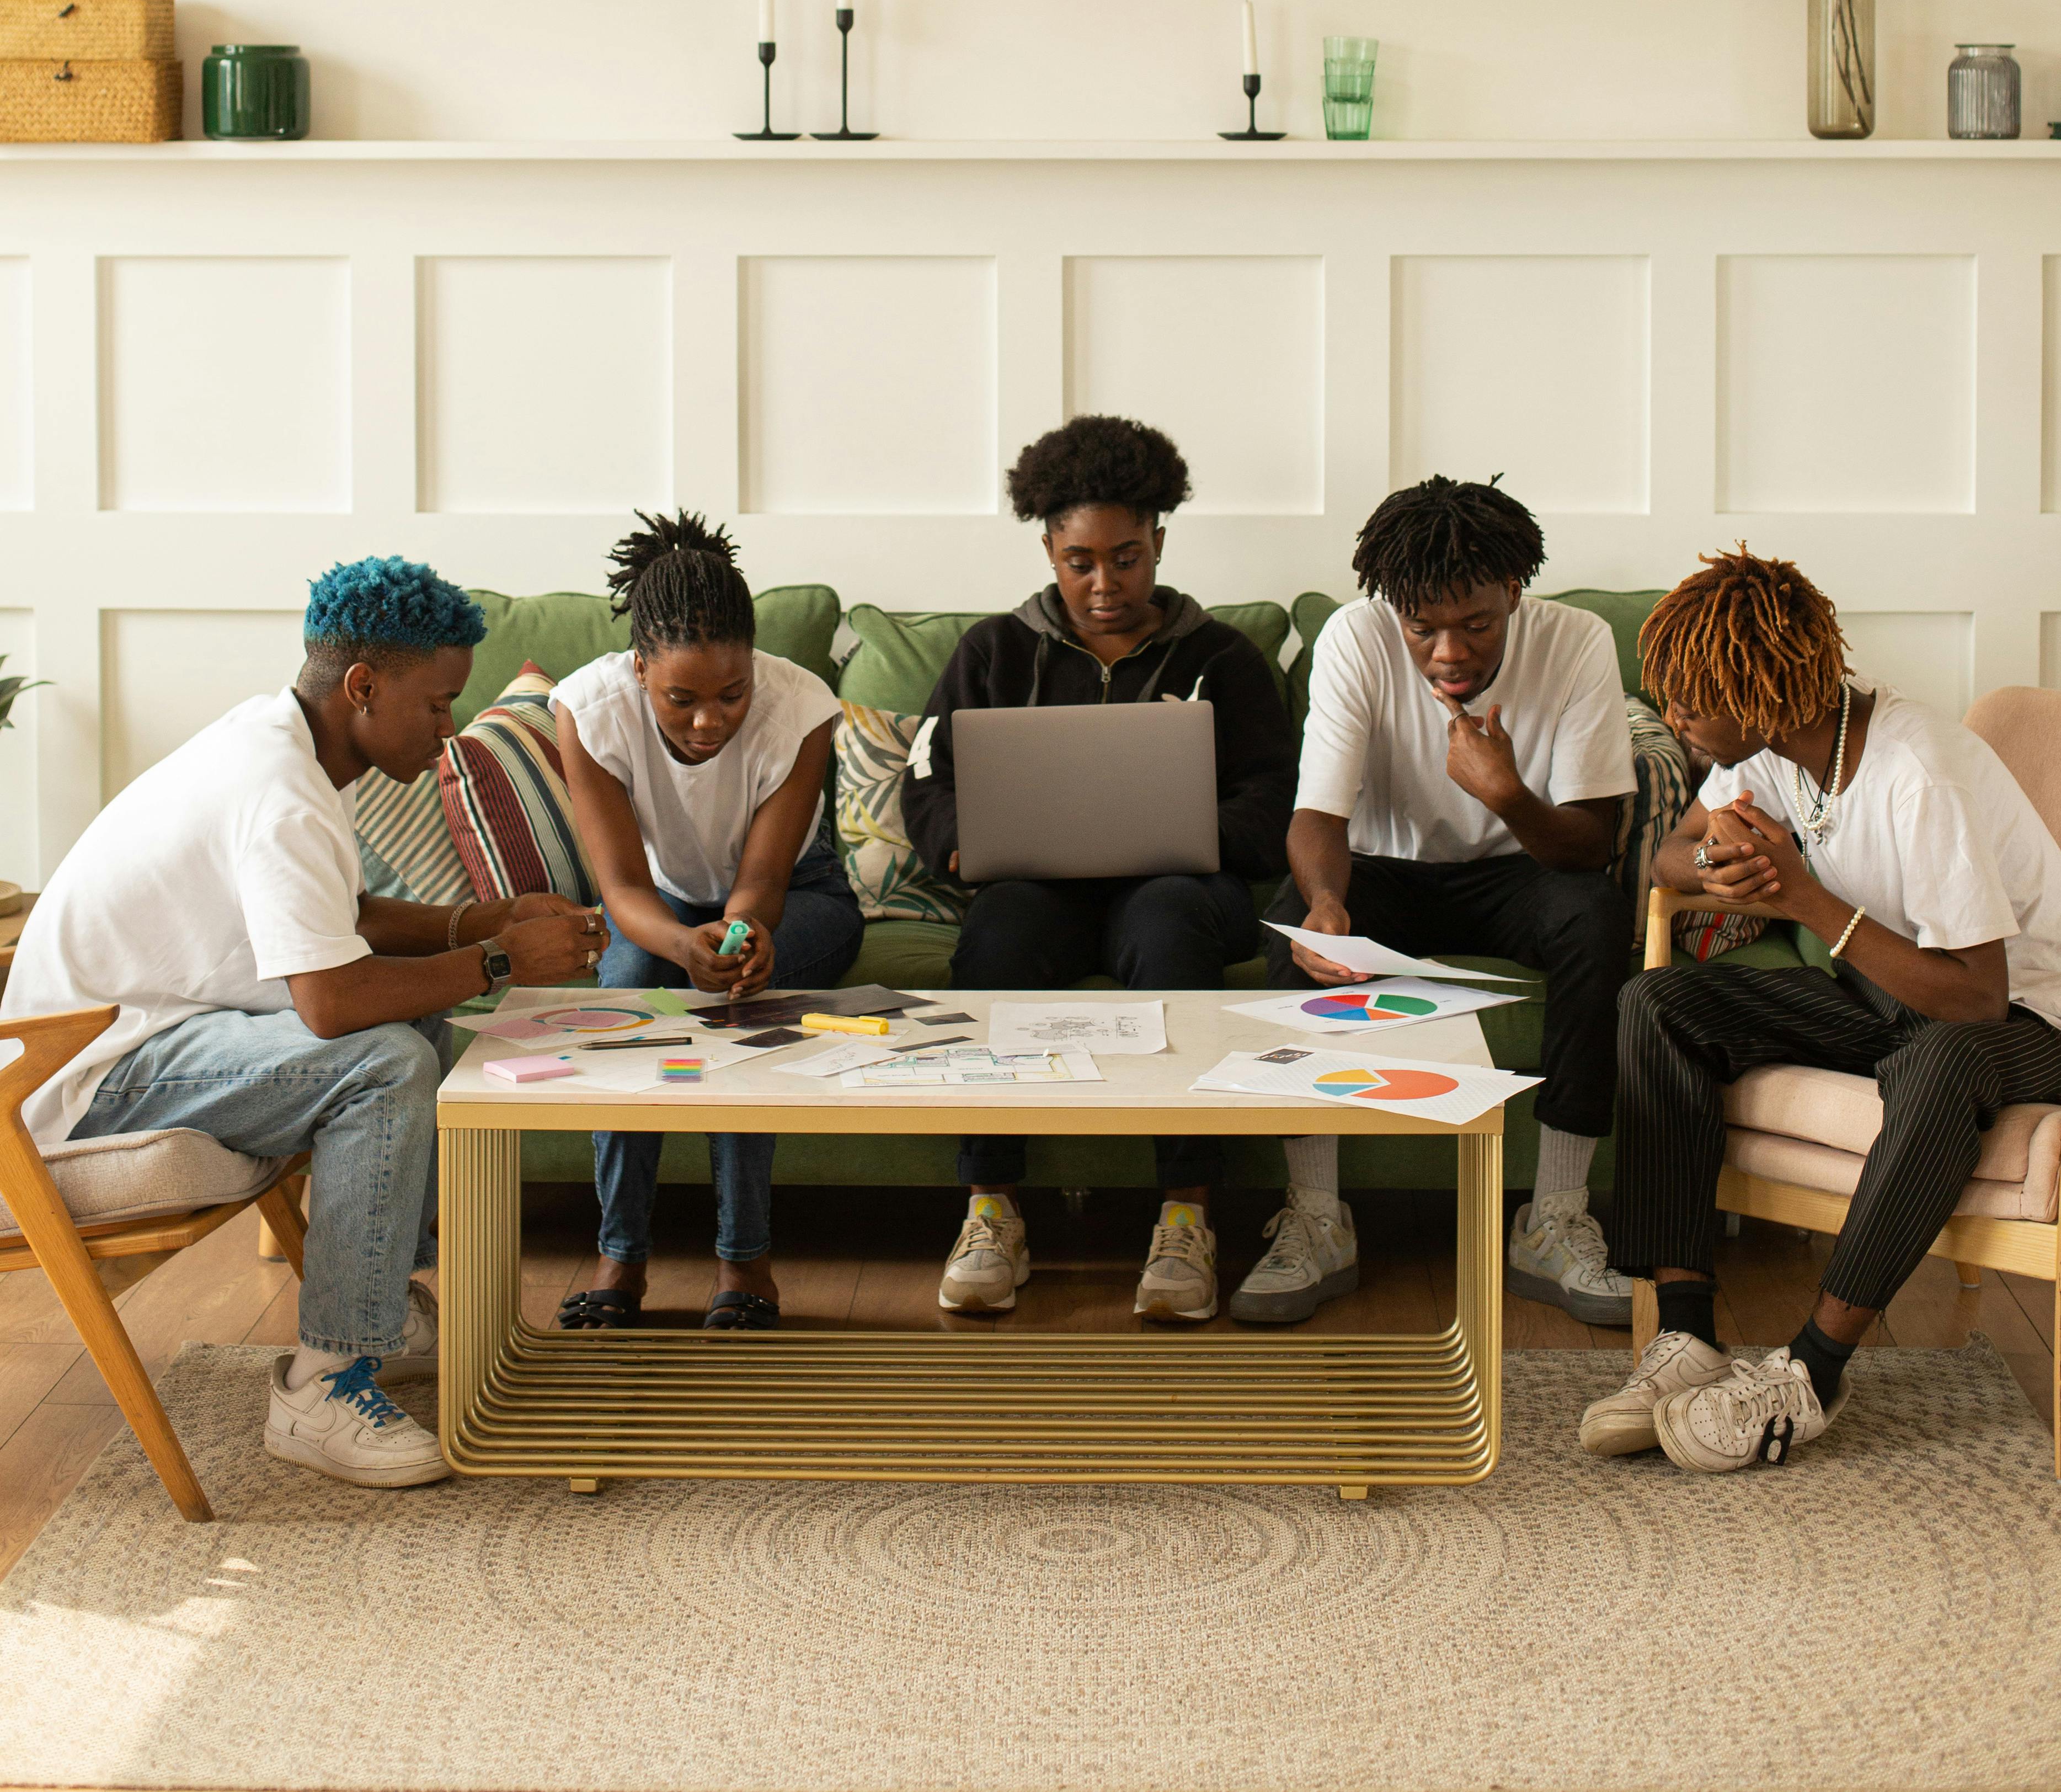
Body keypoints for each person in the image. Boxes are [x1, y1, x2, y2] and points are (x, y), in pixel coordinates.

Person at [0, 559, 604, 1488]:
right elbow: (331, 1004)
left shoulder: (298, 750)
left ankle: (379, 1305)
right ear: (363, 686)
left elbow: (344, 918)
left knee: (418, 1020)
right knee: (387, 1062)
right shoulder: (278, 790)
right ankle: (321, 1385)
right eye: (439, 705)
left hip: (154, 1032)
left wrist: (481, 922)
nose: (450, 731)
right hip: (83, 1072)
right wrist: (501, 962)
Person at [1582, 547, 2061, 1473]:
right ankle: (1685, 1340)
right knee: (1658, 1001)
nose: (1674, 719)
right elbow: (1665, 858)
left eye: (1690, 703)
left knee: (1940, 1059)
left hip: (2030, 1024)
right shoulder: (1777, 750)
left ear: (1760, 699)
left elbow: (1976, 997)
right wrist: (1721, 855)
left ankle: (1812, 1371)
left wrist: (1802, 899)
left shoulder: (1919, 771)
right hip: (1888, 995)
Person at [903, 414, 1297, 1324]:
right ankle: (991, 1209)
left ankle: (1186, 1216)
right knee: (997, 934)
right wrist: (957, 840)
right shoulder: (993, 652)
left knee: (1165, 925)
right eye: (1080, 560)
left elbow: (1274, 797)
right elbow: (927, 771)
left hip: (1184, 892)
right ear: (1047, 546)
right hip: (1036, 888)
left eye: (1126, 557)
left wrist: (1192, 835)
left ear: (1158, 541)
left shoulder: (1220, 659)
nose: (1104, 584)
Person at [1244, 474, 1636, 1329]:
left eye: (1476, 624)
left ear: (1514, 595)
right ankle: (1316, 1217)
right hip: (1385, 870)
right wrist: (1324, 905)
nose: (1449, 652)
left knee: (1600, 919)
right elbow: (1318, 815)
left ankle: (1556, 1218)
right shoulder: (1356, 637)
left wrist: (1506, 794)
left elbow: (1589, 844)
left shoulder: (1577, 642)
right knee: (1288, 931)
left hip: (1519, 869)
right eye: (1424, 627)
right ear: (1396, 609)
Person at [553, 511, 862, 1332]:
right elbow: (619, 888)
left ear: (756, 666)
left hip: (799, 899)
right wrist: (679, 944)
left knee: (742, 1005)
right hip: (658, 908)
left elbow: (760, 885)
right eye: (679, 700)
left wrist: (737, 943)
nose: (708, 721)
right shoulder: (590, 709)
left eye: (732, 694)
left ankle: (745, 1262)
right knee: (628, 998)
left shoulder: (802, 708)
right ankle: (620, 1259)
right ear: (639, 668)